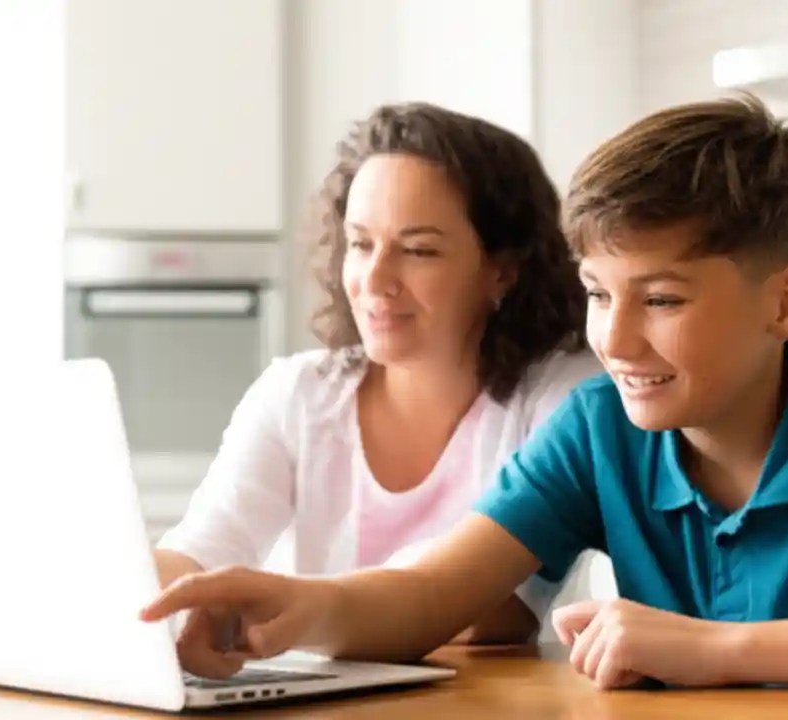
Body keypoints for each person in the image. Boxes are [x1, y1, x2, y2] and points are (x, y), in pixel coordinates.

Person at [141, 95, 788, 691]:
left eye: (660, 299)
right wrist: (286, 608)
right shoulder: (599, 432)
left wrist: (723, 648)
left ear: (785, 302)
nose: (613, 340)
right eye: (593, 294)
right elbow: (425, 598)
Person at [152, 102, 602, 672]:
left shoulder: (562, 399)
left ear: (503, 270)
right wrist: (138, 596)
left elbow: (479, 611)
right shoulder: (299, 394)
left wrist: (288, 607)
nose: (375, 280)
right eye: (361, 244)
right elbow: (202, 549)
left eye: (418, 250)